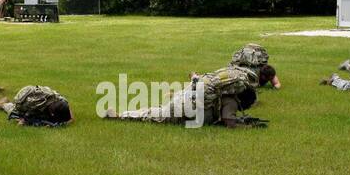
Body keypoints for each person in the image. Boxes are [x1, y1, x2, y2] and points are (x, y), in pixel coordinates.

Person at [106, 67, 267, 127]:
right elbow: (229, 122)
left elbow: (198, 80)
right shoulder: (231, 102)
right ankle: (119, 117)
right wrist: (247, 126)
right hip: (186, 109)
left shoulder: (221, 90)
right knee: (154, 116)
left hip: (187, 98)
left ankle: (122, 115)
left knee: (155, 112)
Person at [0, 86, 73, 126]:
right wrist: (23, 121)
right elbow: (22, 122)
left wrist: (69, 120)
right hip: (22, 98)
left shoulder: (59, 100)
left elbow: (68, 110)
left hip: (36, 93)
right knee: (15, 112)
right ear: (52, 113)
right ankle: (3, 103)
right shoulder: (36, 105)